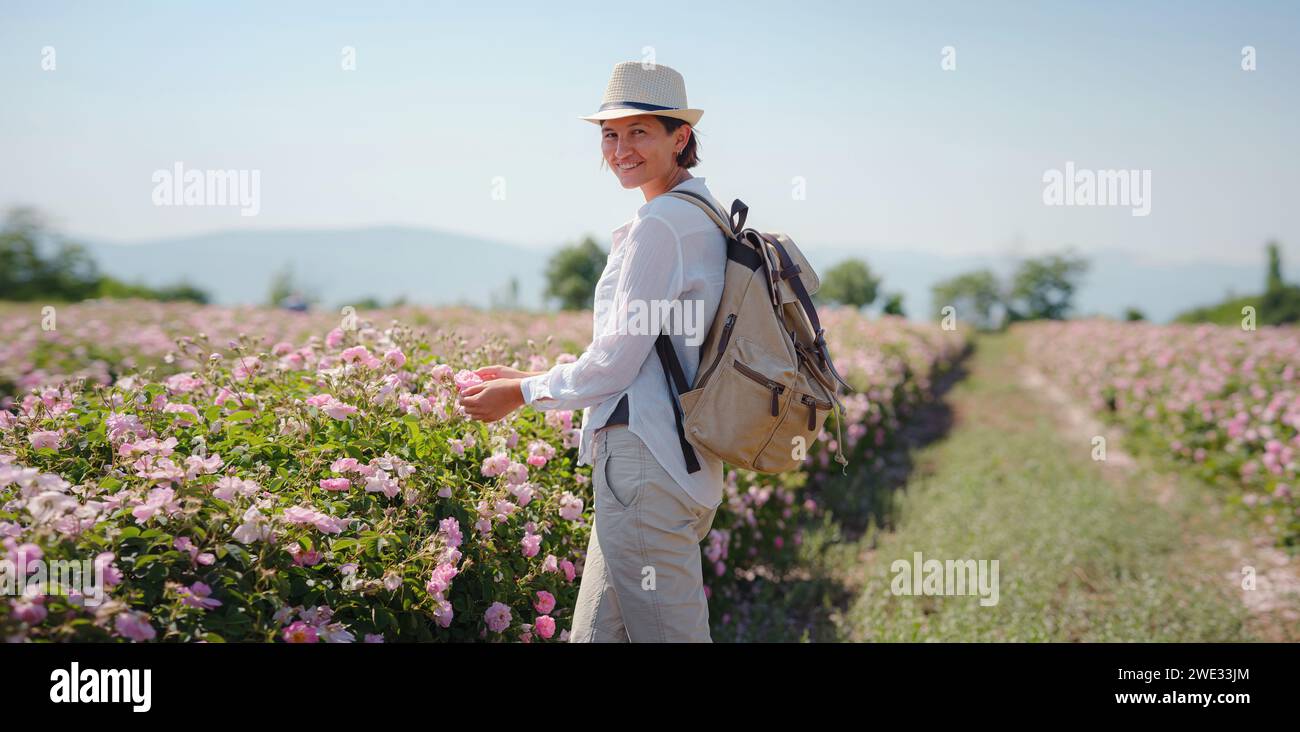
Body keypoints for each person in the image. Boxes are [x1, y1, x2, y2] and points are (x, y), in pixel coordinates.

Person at [458, 61, 727, 642]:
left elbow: (613, 364)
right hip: (678, 462)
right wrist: (528, 375)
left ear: (680, 137)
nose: (621, 147)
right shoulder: (705, 214)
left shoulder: (664, 224)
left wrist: (520, 393)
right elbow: (645, 355)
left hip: (644, 466)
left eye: (640, 132)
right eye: (610, 133)